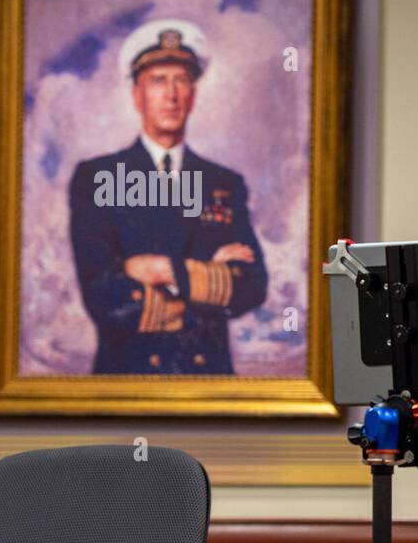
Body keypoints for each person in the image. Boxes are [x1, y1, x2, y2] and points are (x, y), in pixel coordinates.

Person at [68, 19, 268, 374]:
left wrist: (157, 270)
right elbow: (103, 298)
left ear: (194, 93)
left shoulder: (223, 183)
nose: (171, 95)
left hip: (208, 382)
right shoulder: (97, 178)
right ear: (136, 94)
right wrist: (209, 277)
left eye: (182, 81)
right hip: (129, 381)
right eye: (158, 81)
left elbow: (252, 286)